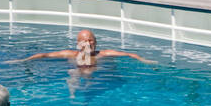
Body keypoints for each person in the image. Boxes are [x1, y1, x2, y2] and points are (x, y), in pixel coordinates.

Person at [19, 28, 155, 67]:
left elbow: (129, 54)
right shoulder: (71, 54)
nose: (88, 43)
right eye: (85, 41)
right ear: (78, 44)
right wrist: (24, 61)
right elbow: (44, 55)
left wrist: (145, 60)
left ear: (95, 42)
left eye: (91, 40)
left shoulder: (103, 54)